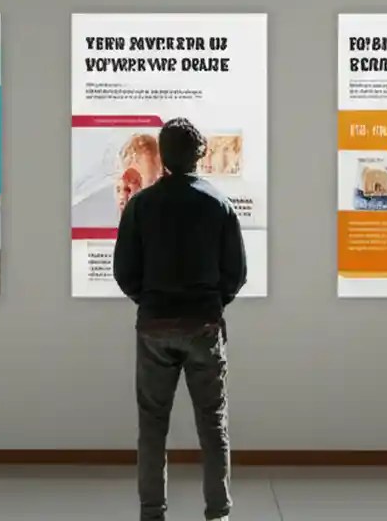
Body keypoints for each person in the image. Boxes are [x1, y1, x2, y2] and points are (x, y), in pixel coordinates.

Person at [114, 117, 247, 521]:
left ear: (164, 157)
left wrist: (148, 300)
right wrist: (212, 302)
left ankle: (152, 513)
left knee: (152, 425)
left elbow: (124, 271)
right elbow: (236, 272)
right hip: (203, 324)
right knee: (212, 423)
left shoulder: (140, 205)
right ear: (199, 156)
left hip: (154, 325)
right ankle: (218, 513)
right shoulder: (218, 204)